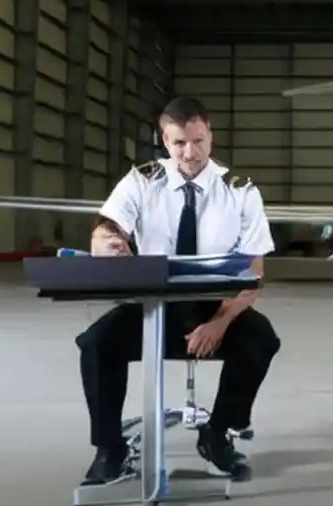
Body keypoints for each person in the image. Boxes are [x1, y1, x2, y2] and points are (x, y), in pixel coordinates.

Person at [76, 96, 281, 486]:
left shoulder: (240, 191)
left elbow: (254, 275)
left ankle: (218, 434)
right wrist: (106, 243)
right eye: (179, 144)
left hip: (214, 306)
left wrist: (219, 324)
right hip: (154, 304)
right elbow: (107, 226)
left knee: (260, 340)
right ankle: (110, 450)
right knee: (97, 343)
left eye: (199, 141)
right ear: (164, 141)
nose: (190, 153)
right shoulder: (142, 180)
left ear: (210, 135)